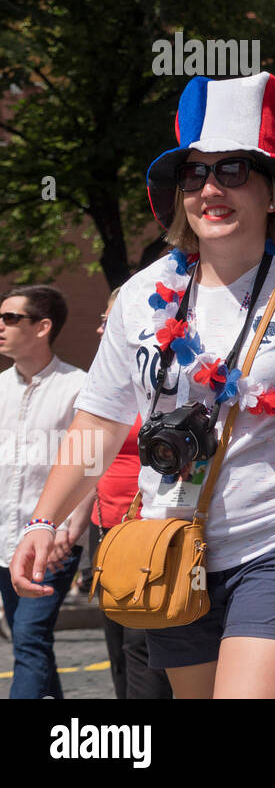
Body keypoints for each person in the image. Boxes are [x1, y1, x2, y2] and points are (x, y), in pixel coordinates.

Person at [7, 72, 275, 698]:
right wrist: (43, 520)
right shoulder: (142, 296)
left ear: (272, 186)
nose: (209, 189)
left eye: (232, 171)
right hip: (170, 549)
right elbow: (100, 423)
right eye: (193, 174)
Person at [0, 284, 91, 698]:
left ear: (43, 327)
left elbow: (91, 465)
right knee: (29, 641)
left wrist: (69, 529)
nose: (1, 326)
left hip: (51, 541)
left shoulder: (79, 386)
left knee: (30, 637)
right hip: (4, 540)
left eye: (10, 318)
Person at [88, 288, 174, 701]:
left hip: (149, 531)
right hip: (105, 527)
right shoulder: (101, 384)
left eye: (109, 318)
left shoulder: (158, 382)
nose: (102, 326)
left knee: (143, 644)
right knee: (120, 647)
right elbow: (86, 460)